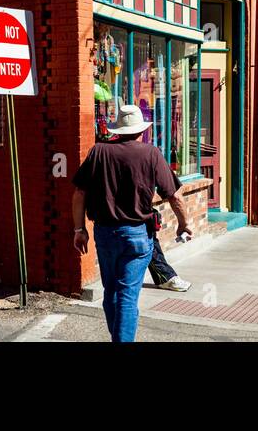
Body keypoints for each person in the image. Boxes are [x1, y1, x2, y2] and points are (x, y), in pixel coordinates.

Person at [72, 105, 190, 342]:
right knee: (127, 296)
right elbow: (174, 196)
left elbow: (78, 193)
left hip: (105, 233)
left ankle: (118, 337)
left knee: (112, 293)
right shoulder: (151, 153)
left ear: (118, 130)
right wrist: (183, 224)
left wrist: (79, 229)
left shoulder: (98, 152)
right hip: (137, 235)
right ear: (141, 131)